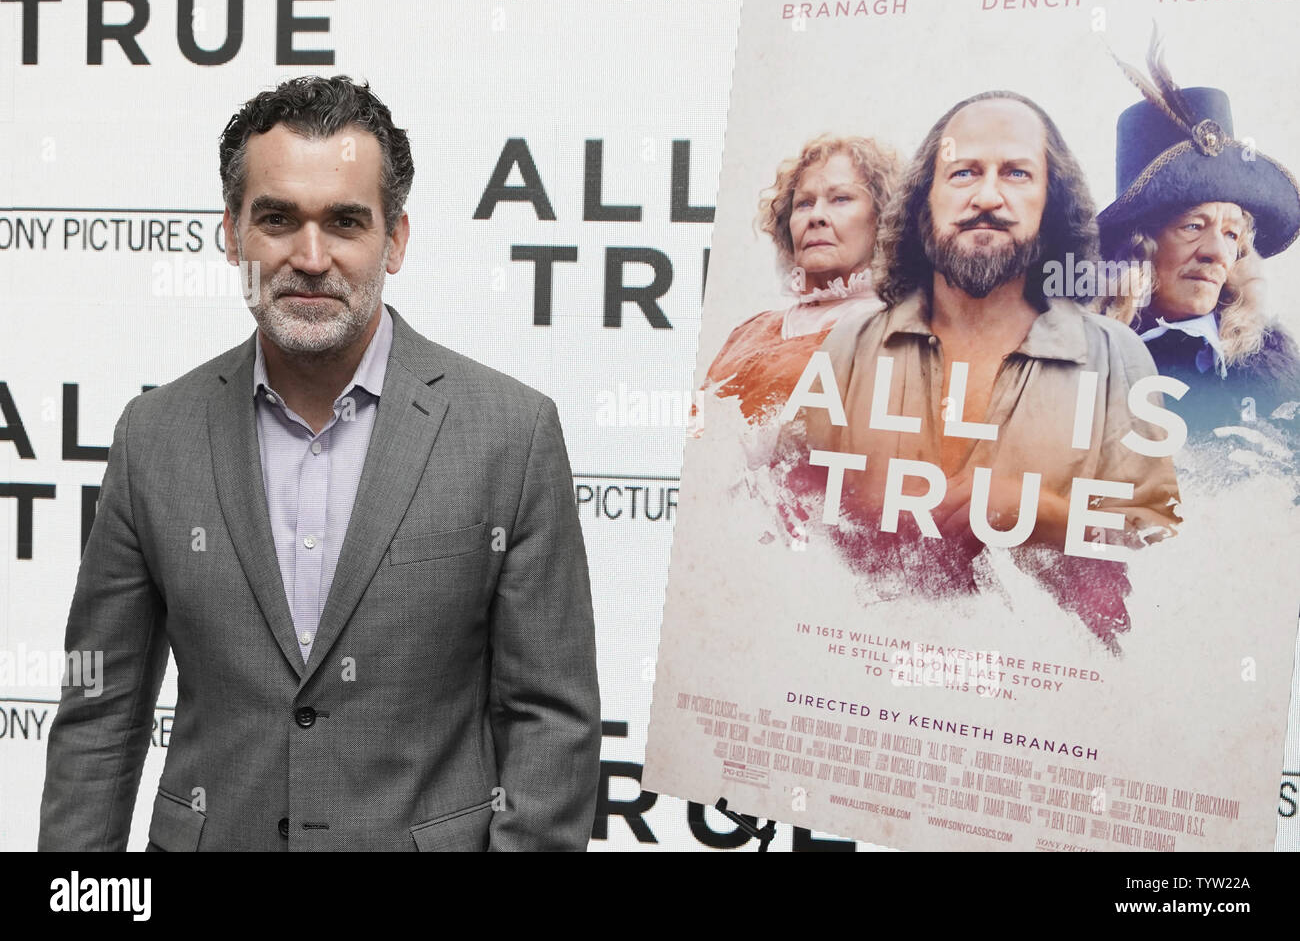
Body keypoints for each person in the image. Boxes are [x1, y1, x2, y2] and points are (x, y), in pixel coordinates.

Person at [38, 76, 601, 851]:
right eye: (276, 219)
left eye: (345, 221)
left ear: (395, 239)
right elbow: (100, 711)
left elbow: (552, 724)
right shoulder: (154, 437)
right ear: (232, 234)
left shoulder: (511, 432)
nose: (310, 257)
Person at [792, 92, 1182, 648]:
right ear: (925, 199)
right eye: (964, 172)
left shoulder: (1118, 360)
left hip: (1038, 700)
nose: (988, 196)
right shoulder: (850, 345)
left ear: (1052, 200)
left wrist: (1039, 513)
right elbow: (783, 511)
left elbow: (1164, 559)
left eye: (1018, 173)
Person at [1095, 40, 1300, 435]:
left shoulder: (1276, 377)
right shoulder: (1068, 356)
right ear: (1138, 245)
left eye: (1231, 234)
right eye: (1192, 226)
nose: (1217, 253)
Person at [703, 135, 899, 423]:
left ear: (882, 217)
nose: (817, 216)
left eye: (840, 199)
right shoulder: (749, 331)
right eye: (804, 203)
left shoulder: (896, 333)